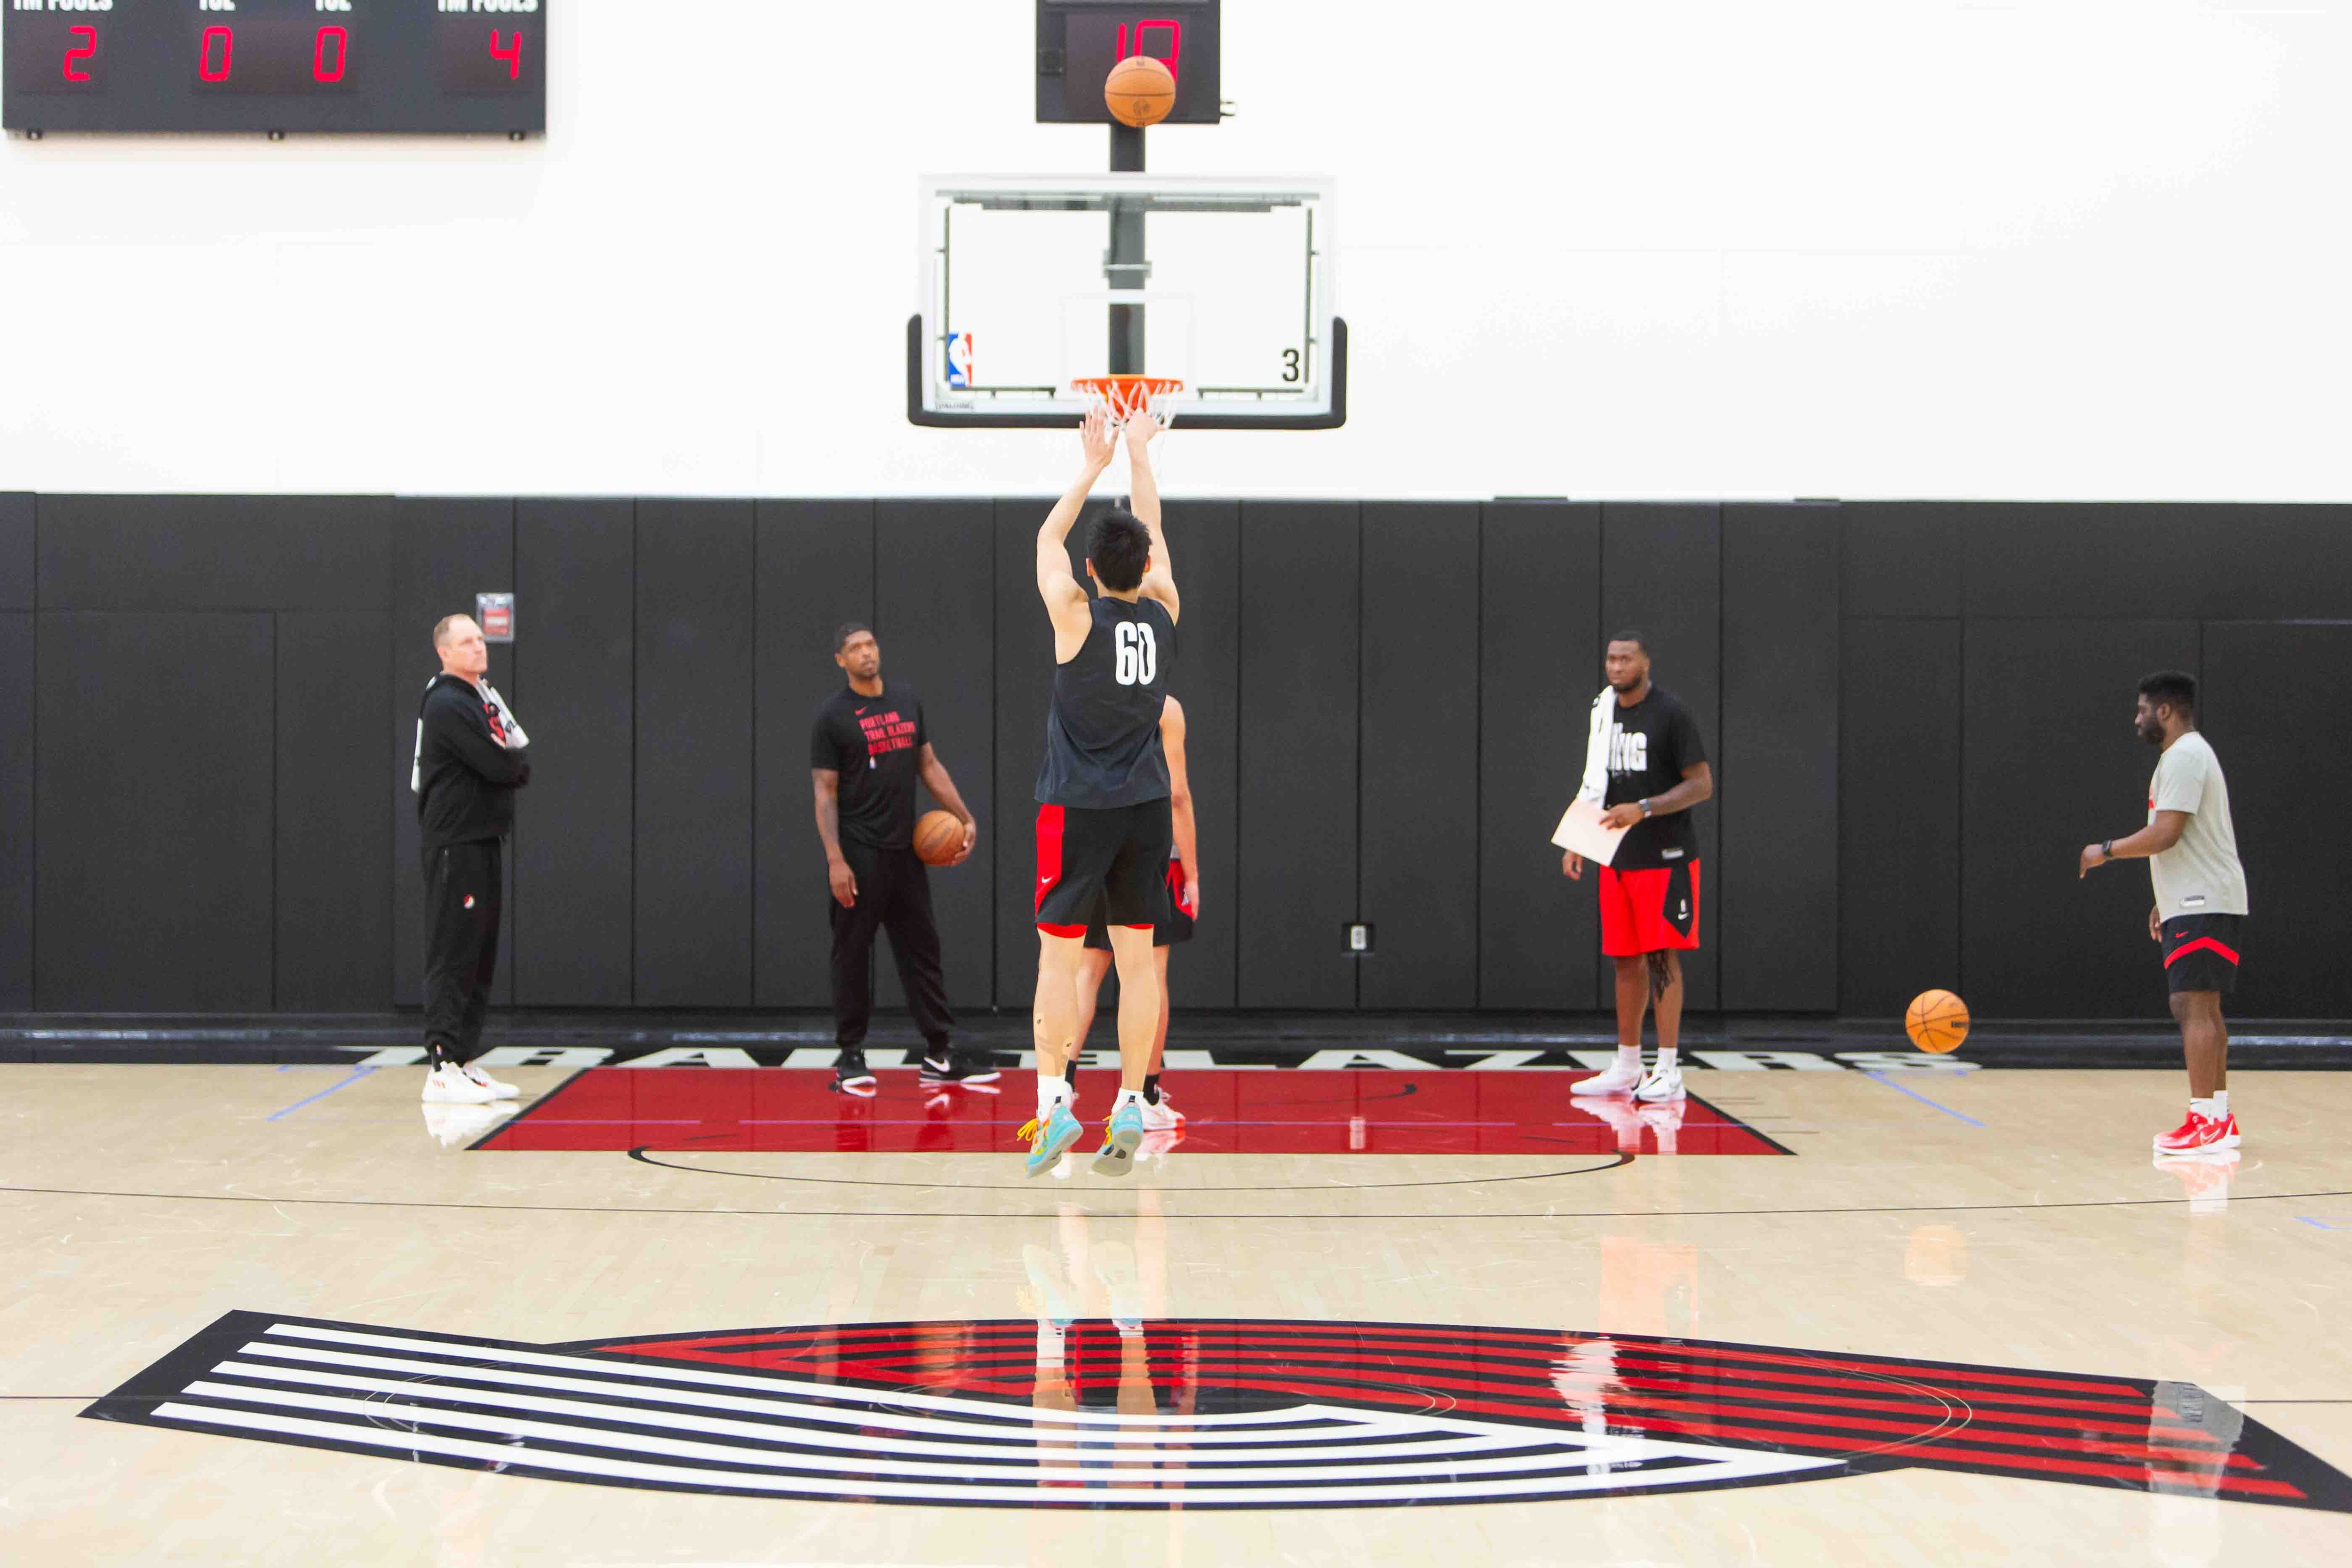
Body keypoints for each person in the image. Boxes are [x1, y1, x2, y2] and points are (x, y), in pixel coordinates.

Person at [1022, 408, 1179, 1178]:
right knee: (1138, 962)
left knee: (1058, 960)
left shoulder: (1074, 614)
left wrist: (1092, 463)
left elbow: (1049, 540)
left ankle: (1054, 1107)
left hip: (1076, 807)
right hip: (1144, 808)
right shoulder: (1167, 610)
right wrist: (1141, 455)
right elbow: (1147, 525)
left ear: (1092, 571)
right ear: (1147, 566)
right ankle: (1128, 1101)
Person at [810, 623, 986, 1094]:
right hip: (859, 854)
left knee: (922, 952)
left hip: (905, 852)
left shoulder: (906, 700)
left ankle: (939, 1053)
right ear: (840, 661)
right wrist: (834, 860)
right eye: (854, 648)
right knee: (852, 956)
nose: (866, 653)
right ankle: (850, 1056)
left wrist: (962, 816)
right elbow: (824, 794)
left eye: (870, 644)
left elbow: (928, 765)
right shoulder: (832, 716)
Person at [2078, 670, 2249, 1154]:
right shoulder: (2188, 755)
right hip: (2196, 898)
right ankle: (2216, 1117)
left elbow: (2165, 834)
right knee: (2199, 1006)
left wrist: (2104, 850)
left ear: (2165, 712)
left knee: (2193, 1005)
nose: (2136, 719)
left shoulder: (2183, 756)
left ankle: (2205, 1123)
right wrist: (2165, 900)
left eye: (2141, 710)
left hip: (2203, 899)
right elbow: (2187, 841)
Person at [1562, 631, 1714, 1103]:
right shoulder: (1602, 711)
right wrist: (1577, 837)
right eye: (1610, 658)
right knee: (1624, 961)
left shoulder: (1670, 713)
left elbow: (1701, 785)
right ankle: (1627, 1065)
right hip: (1617, 853)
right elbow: (1594, 781)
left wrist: (1644, 808)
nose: (1615, 667)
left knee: (1661, 959)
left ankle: (1668, 1070)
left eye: (1625, 659)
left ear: (1645, 662)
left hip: (1664, 856)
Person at [1065, 697, 1199, 1143]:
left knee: (1086, 971)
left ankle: (1061, 1087)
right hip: (1149, 848)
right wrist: (1193, 873)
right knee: (1149, 972)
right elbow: (1177, 795)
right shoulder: (1166, 707)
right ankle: (1145, 1095)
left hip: (1095, 843)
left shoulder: (1086, 695)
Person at [411, 614, 531, 1106]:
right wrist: (505, 761)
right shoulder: (445, 703)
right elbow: (499, 764)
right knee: (454, 950)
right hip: (454, 843)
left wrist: (507, 761)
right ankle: (441, 1065)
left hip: (484, 839)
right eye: (467, 641)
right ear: (444, 652)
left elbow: (519, 756)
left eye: (480, 639)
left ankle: (463, 1058)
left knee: (480, 953)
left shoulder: (483, 697)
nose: (479, 647)